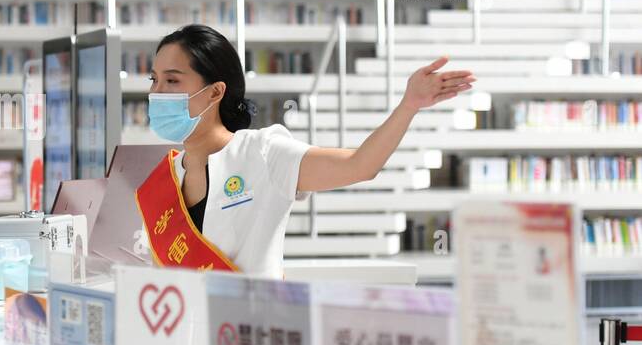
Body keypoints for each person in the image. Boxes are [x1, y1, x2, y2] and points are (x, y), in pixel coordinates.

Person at [138, 24, 475, 279]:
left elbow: (361, 165)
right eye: (154, 80)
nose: (157, 92)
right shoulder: (166, 178)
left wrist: (409, 105)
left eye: (172, 81)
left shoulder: (263, 153)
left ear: (215, 93)